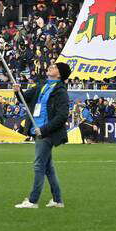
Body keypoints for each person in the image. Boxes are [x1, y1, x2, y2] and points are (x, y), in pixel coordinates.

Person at [13, 62, 71, 208]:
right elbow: (24, 98)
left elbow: (63, 115)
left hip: (46, 133)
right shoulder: (42, 85)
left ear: (60, 74)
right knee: (48, 168)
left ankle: (33, 201)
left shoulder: (61, 91)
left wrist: (44, 129)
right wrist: (17, 91)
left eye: (55, 67)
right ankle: (58, 200)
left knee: (39, 165)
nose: (51, 67)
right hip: (38, 130)